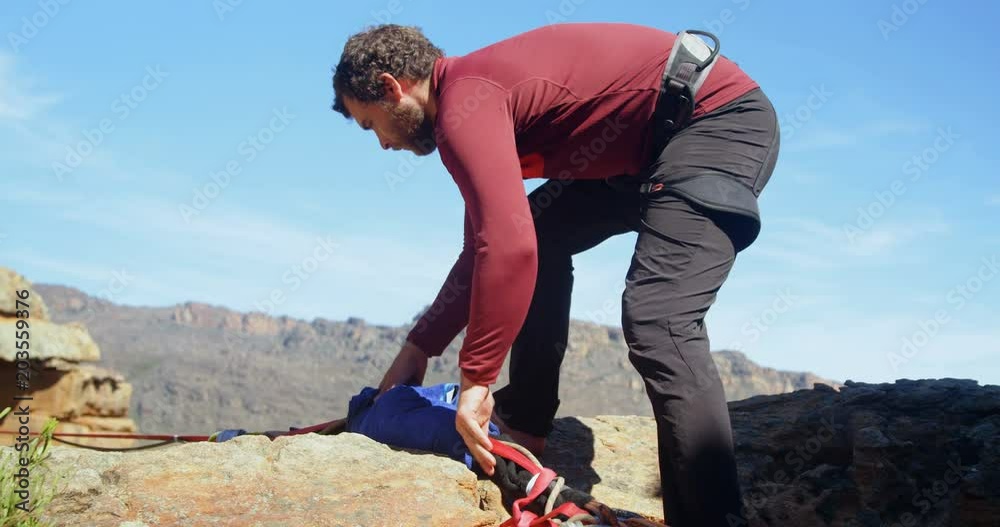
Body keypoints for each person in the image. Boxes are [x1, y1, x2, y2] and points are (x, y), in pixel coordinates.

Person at [331, 21, 779, 527]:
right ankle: (524, 421)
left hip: (715, 122)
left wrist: (476, 379)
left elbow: (507, 248)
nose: (383, 146)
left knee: (660, 321)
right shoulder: (469, 99)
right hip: (648, 147)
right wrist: (420, 348)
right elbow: (486, 248)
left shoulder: (464, 102)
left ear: (392, 87)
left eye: (371, 126)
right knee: (542, 233)